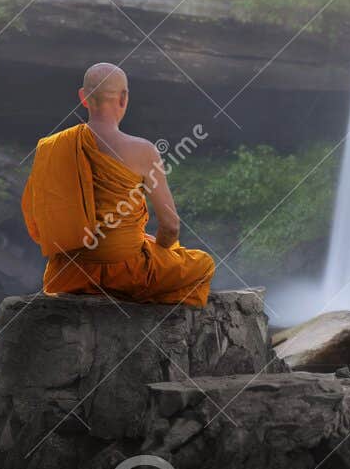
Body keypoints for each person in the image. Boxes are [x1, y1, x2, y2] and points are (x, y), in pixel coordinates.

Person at [21, 62, 214, 307]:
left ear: (83, 97)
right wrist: (163, 254)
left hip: (67, 275)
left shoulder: (51, 147)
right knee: (203, 262)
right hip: (127, 276)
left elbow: (38, 219)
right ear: (123, 98)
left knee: (146, 243)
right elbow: (171, 226)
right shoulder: (143, 151)